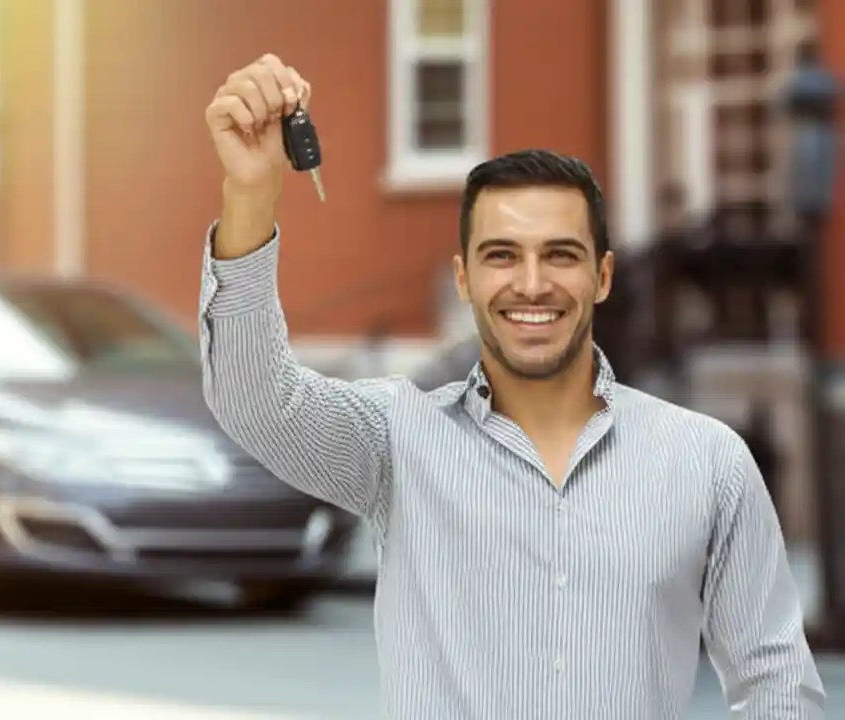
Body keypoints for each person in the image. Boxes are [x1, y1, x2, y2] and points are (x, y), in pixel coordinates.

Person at [199, 54, 826, 718]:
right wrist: (250, 197)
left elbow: (777, 680)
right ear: (465, 279)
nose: (531, 284)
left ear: (603, 277)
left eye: (560, 254)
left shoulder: (707, 462)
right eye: (502, 256)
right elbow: (254, 399)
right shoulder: (395, 438)